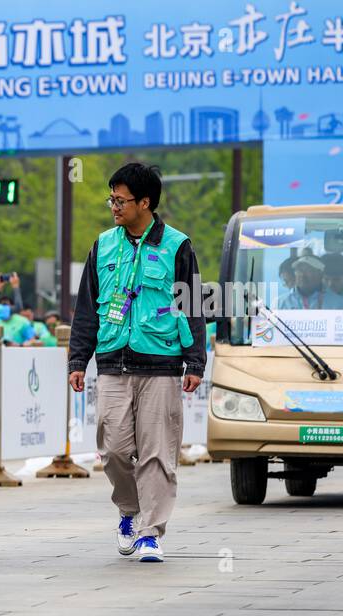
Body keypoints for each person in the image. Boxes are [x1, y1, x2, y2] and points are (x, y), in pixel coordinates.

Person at [68, 162, 205, 564]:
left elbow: (193, 305)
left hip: (161, 363)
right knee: (112, 449)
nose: (114, 205)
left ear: (145, 203)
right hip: (112, 363)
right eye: (111, 198)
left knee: (158, 453)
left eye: (121, 199)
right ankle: (130, 510)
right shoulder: (103, 244)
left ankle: (150, 533)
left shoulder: (178, 245)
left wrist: (195, 361)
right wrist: (79, 358)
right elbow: (86, 308)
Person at [279, 255, 343, 310]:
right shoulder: (281, 302)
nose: (302, 275)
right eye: (299, 270)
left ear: (321, 274)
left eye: (308, 270)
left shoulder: (338, 303)